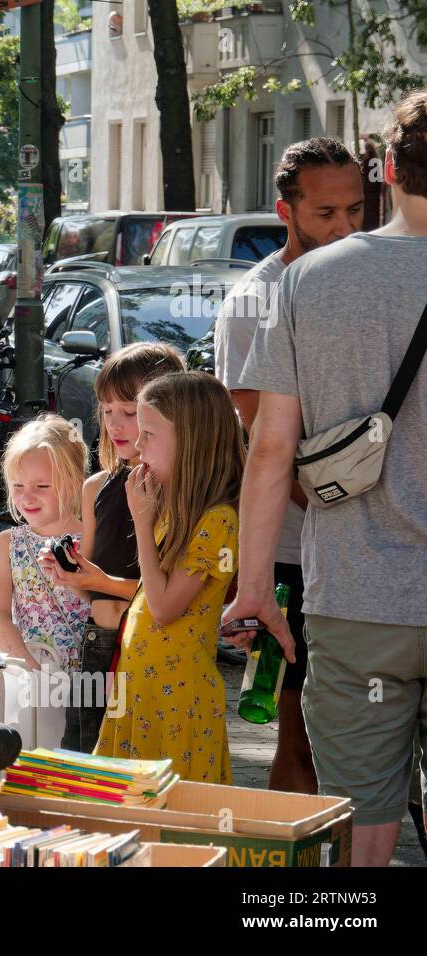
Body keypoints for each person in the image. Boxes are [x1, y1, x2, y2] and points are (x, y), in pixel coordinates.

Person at [225, 91, 427, 866]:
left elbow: (270, 450)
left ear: (385, 172)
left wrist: (251, 590)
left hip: (354, 602)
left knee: (362, 830)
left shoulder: (310, 282)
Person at [214, 137, 364, 796]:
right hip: (289, 562)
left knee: (364, 738)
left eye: (357, 211)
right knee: (294, 728)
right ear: (287, 210)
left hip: (370, 551)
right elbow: (263, 444)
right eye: (327, 213)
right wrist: (355, 507)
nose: (345, 228)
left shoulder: (371, 280)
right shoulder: (256, 300)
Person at [95, 371, 244, 783]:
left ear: (191, 440)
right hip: (141, 692)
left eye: (149, 434)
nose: (138, 445)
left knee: (173, 817)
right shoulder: (177, 509)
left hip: (178, 701)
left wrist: (142, 523)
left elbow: (162, 608)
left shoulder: (218, 520)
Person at [41, 342, 186, 754]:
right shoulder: (96, 487)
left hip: (147, 650)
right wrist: (69, 574)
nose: (116, 424)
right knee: (82, 762)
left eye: (130, 412)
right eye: (107, 410)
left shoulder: (176, 491)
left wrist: (98, 579)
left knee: (133, 769)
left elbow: (175, 597)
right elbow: (90, 587)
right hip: (96, 644)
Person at [0, 414, 91, 749]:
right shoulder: (8, 543)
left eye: (42, 486)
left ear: (73, 482)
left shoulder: (93, 540)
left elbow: (107, 603)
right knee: (34, 755)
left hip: (89, 674)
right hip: (31, 672)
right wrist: (30, 670)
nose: (27, 496)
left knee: (80, 761)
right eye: (18, 486)